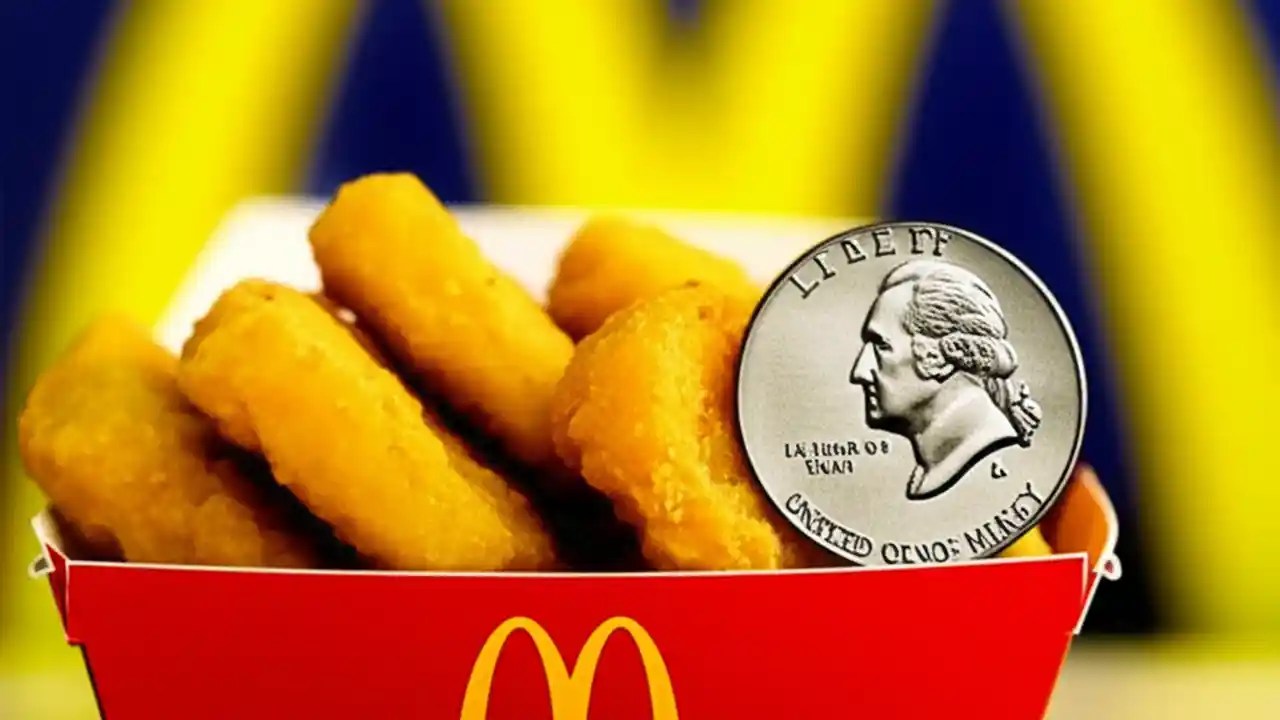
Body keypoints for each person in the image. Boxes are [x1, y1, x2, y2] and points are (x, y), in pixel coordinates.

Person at [849, 260, 1041, 500]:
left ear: (942, 356)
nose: (859, 372)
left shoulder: (988, 454)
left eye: (881, 346)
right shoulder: (931, 468)